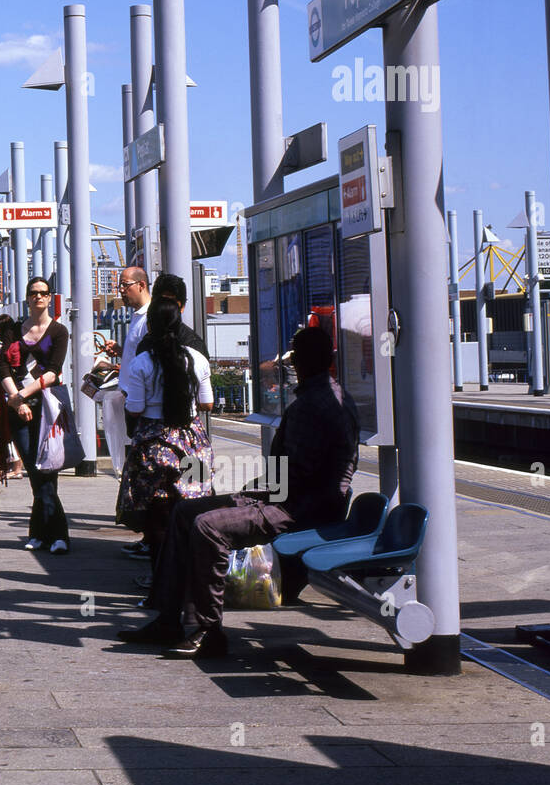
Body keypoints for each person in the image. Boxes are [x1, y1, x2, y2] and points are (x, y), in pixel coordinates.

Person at [119, 325, 360, 657]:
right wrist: (256, 491)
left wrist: (255, 495)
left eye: (295, 361)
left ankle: (207, 629)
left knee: (207, 525)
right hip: (292, 496)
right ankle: (168, 618)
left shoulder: (316, 404)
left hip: (299, 508)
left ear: (302, 363)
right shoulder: (324, 396)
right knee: (185, 510)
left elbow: (299, 472)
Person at [117, 295, 215, 588]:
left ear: (151, 326)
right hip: (194, 443)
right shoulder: (196, 359)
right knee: (192, 510)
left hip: (153, 446)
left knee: (157, 517)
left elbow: (134, 408)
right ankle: (190, 576)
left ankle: (161, 580)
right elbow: (207, 404)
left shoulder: (141, 363)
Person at [0, 277, 71, 552]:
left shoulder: (59, 331)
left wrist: (21, 395)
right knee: (33, 469)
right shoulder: (14, 331)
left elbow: (53, 371)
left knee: (48, 470)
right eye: (33, 293)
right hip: (19, 408)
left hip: (49, 408)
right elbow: (3, 366)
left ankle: (52, 534)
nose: (38, 297)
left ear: (49, 298)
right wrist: (16, 401)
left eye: (43, 293)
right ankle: (46, 534)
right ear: (27, 298)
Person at [102, 265, 153, 558]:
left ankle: (151, 537)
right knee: (138, 472)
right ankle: (147, 535)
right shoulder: (136, 318)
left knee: (145, 473)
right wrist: (121, 352)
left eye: (124, 285)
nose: (120, 290)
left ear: (141, 284)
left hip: (141, 408)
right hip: (132, 402)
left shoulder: (149, 319)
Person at [0, 315, 27, 484]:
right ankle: (16, 467)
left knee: (9, 431)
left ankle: (16, 468)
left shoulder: (4, 345)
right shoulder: (18, 341)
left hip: (7, 390)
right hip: (17, 388)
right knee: (13, 431)